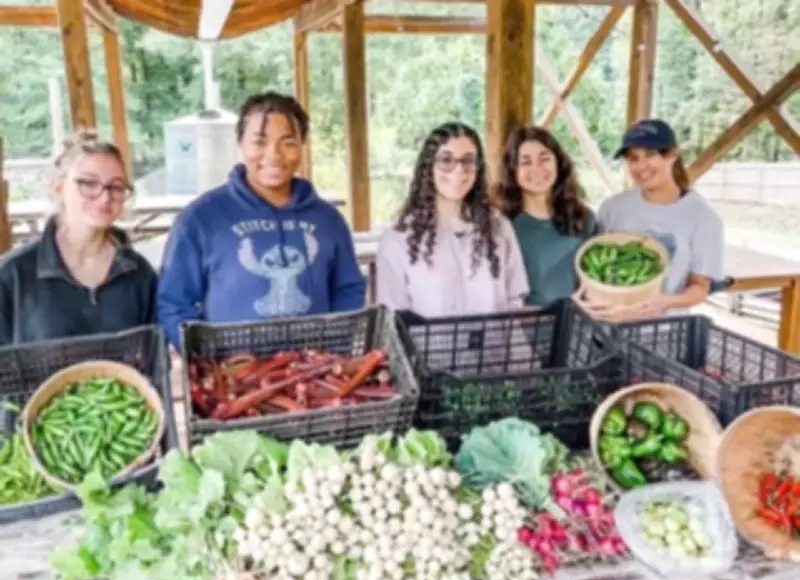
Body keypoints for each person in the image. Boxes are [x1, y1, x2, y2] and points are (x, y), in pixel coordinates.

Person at [157, 91, 365, 348]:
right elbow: (173, 303)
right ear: (241, 144)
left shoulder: (328, 220)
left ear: (302, 145)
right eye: (259, 142)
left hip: (313, 376)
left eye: (287, 142)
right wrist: (205, 357)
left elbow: (349, 289)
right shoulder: (200, 219)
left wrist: (334, 348)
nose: (273, 155)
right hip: (233, 377)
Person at [0, 130, 157, 345]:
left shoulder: (140, 275)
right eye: (89, 184)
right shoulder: (13, 274)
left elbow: (153, 359)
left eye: (116, 186)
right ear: (58, 188)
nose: (105, 197)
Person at [375, 122, 528, 317]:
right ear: (428, 166)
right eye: (446, 160)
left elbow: (515, 299)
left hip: (494, 346)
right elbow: (392, 316)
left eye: (468, 161)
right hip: (425, 347)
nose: (458, 171)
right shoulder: (399, 239)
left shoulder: (499, 227)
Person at [588, 119, 724, 319]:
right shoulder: (613, 208)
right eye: (633, 158)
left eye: (650, 155)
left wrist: (666, 302)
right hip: (609, 326)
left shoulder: (703, 218)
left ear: (673, 155)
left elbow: (700, 287)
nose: (641, 166)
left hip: (664, 332)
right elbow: (594, 270)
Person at [496, 126, 598, 308]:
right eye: (525, 162)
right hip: (523, 330)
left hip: (577, 328)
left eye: (544, 159)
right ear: (512, 170)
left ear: (559, 163)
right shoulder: (501, 224)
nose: (536, 169)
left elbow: (598, 280)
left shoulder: (583, 218)